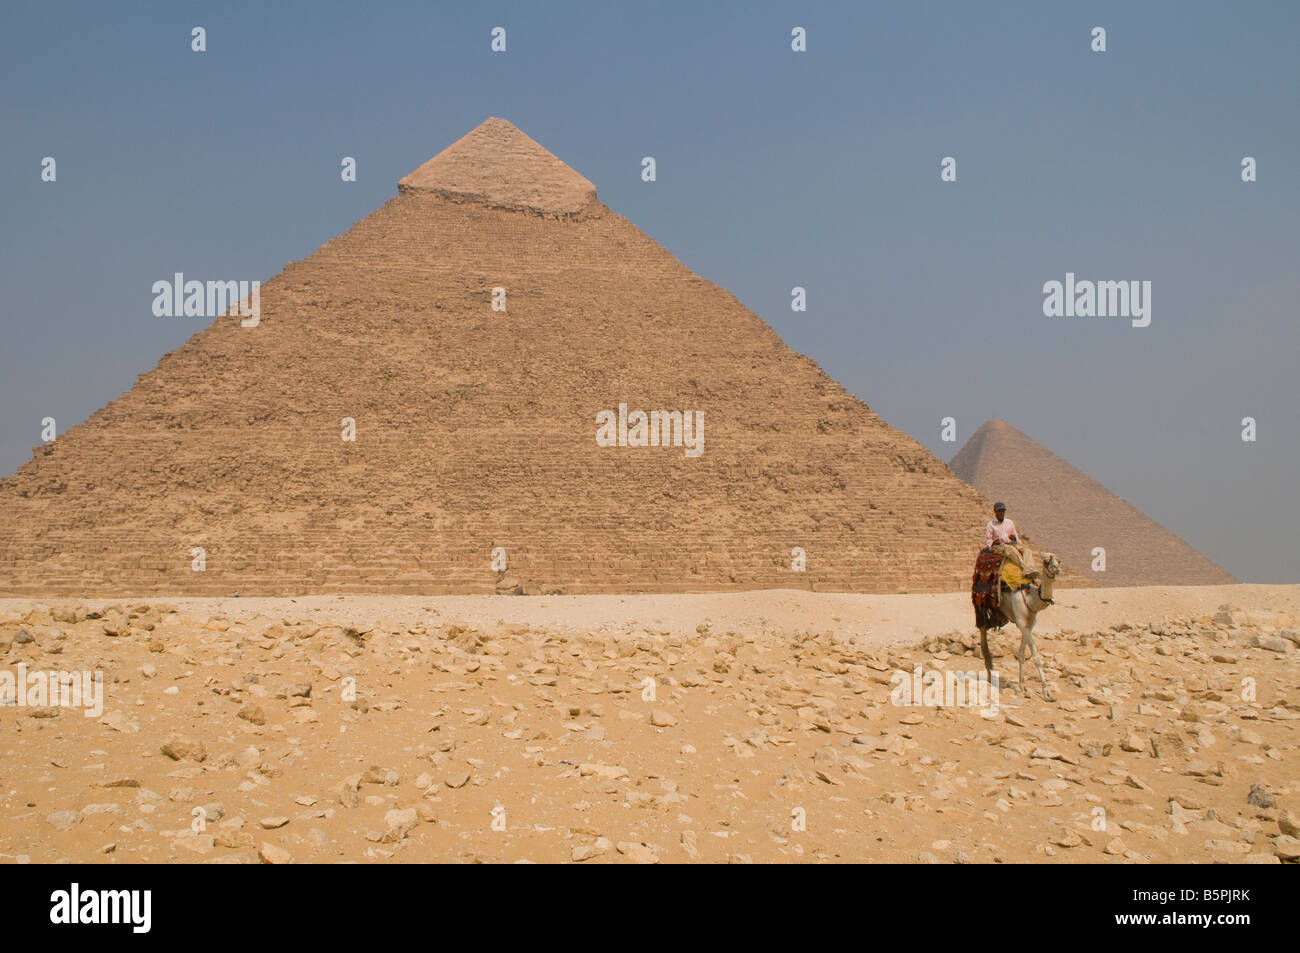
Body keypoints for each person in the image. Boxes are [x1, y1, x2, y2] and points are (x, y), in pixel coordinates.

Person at [985, 502, 1036, 576]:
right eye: (999, 511)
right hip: (999, 547)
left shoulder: (1010, 522)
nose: (1001, 513)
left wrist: (1014, 538)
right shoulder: (991, 524)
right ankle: (1025, 569)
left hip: (1011, 544)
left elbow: (1016, 538)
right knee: (1011, 550)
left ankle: (1030, 569)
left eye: (1003, 511)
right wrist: (993, 542)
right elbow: (988, 540)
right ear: (995, 511)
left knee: (1027, 551)